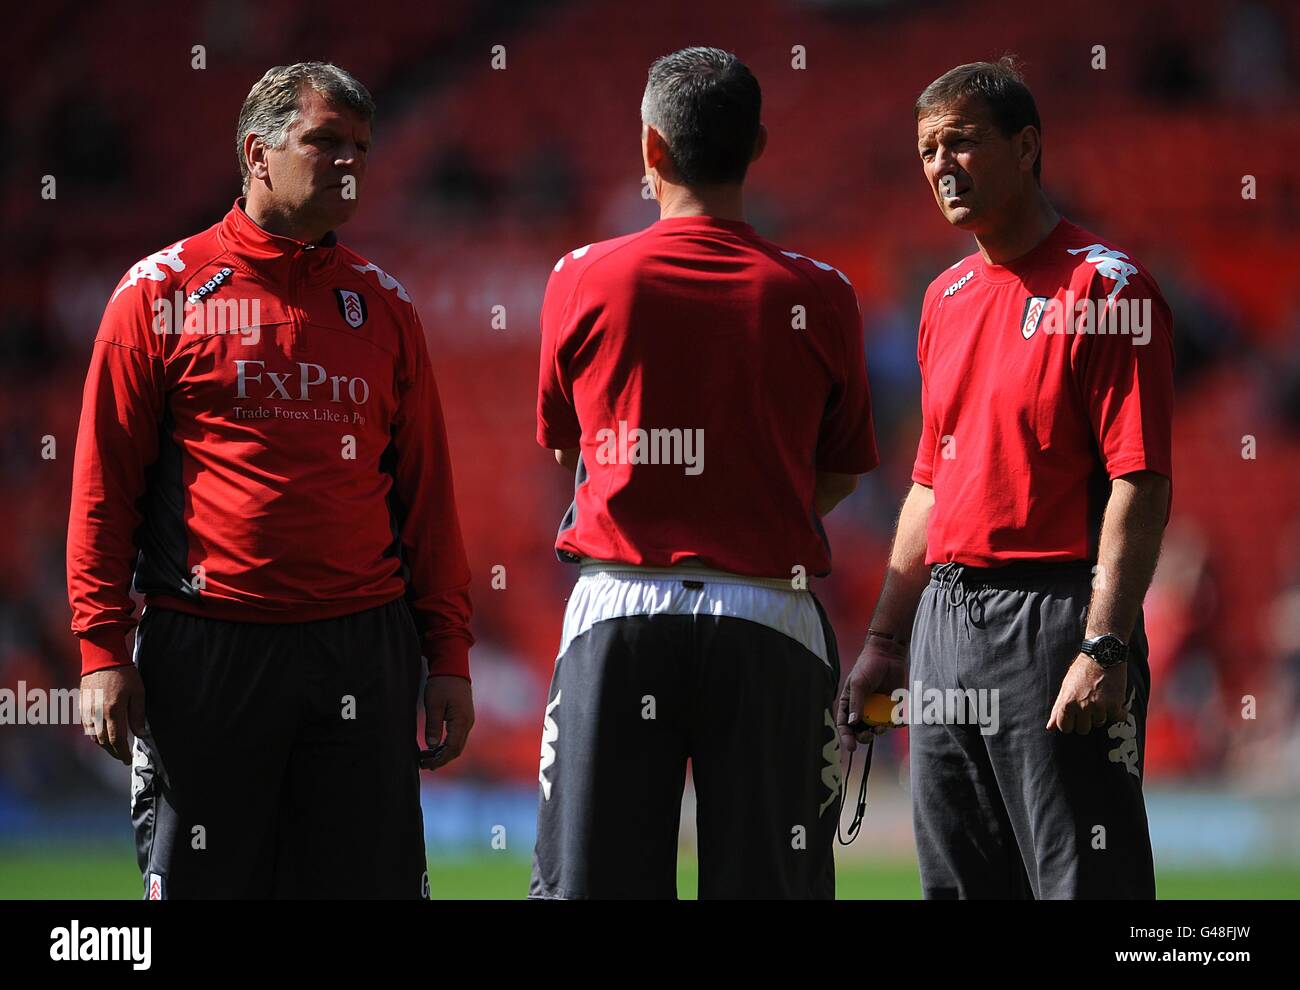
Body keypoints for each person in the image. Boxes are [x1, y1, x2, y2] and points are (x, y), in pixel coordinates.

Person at [67, 61, 474, 899]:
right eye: (325, 142)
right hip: (206, 650)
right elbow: (103, 488)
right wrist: (102, 648)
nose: (350, 161)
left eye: (361, 144)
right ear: (257, 153)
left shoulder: (385, 306)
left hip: (364, 649)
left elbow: (426, 500)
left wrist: (450, 655)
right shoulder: (157, 295)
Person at [530, 47, 878, 899]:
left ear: (651, 147)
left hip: (619, 607)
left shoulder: (580, 278)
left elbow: (564, 448)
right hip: (769, 612)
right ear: (757, 145)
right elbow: (837, 473)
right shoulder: (823, 292)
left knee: (590, 884)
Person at [838, 58, 1174, 899]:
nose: (941, 166)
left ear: (1027, 148)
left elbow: (1141, 481)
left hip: (1056, 618)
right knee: (958, 881)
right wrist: (885, 639)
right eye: (927, 150)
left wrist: (1106, 642)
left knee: (1082, 881)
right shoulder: (943, 296)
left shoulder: (1106, 287)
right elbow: (928, 486)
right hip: (946, 626)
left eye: (962, 142)